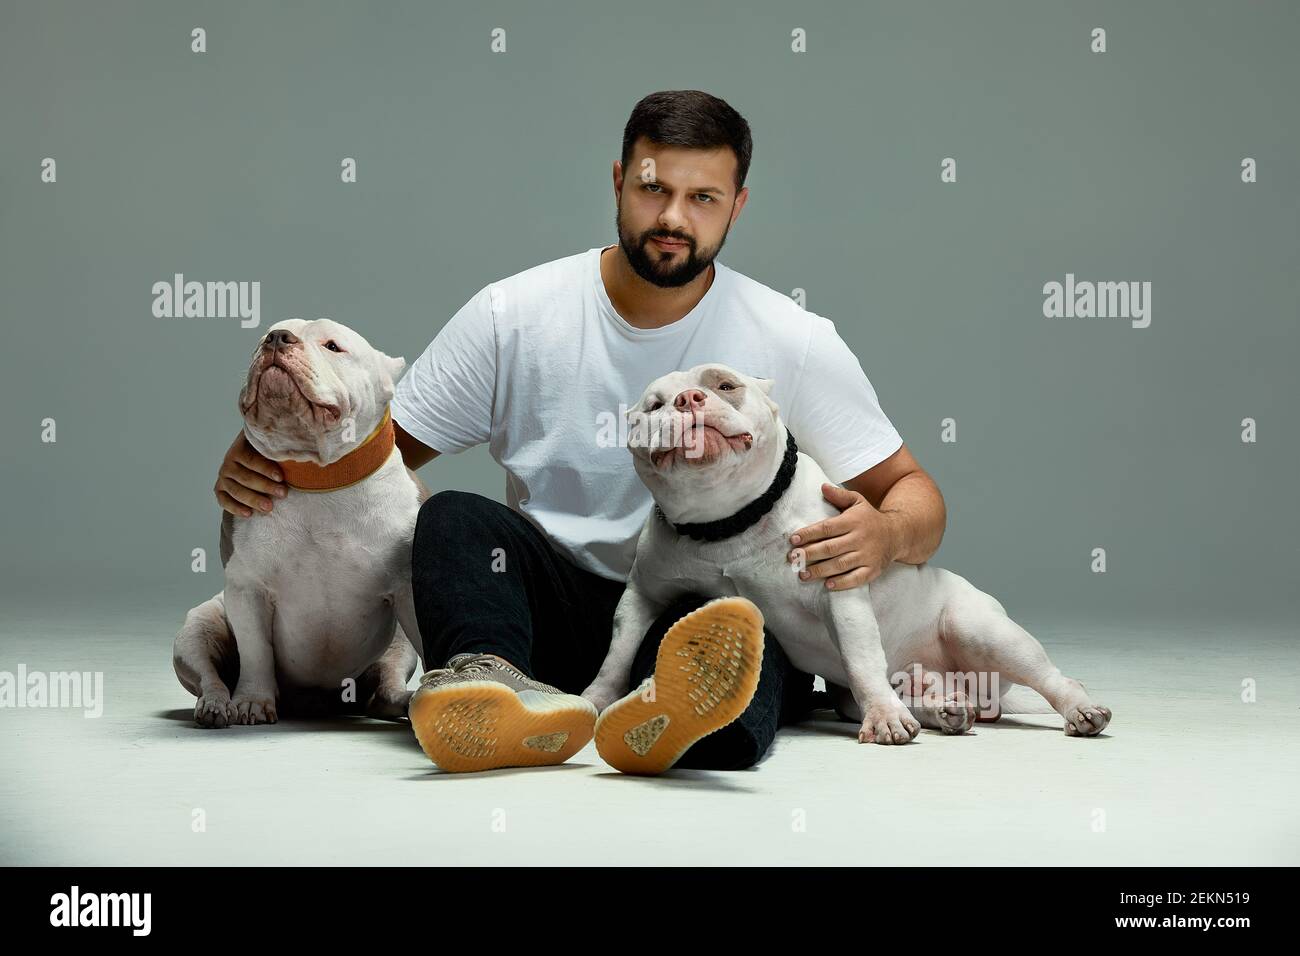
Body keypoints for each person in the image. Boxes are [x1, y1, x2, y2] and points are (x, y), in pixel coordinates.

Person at [213, 89, 947, 774]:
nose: (673, 218)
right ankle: (489, 689)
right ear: (619, 179)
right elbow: (372, 453)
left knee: (741, 634)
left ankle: (671, 720)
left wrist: (886, 535)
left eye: (703, 199)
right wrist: (272, 454)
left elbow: (914, 494)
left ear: (738, 206)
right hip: (543, 606)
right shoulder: (515, 314)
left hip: (695, 610)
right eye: (654, 188)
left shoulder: (794, 340)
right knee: (451, 517)